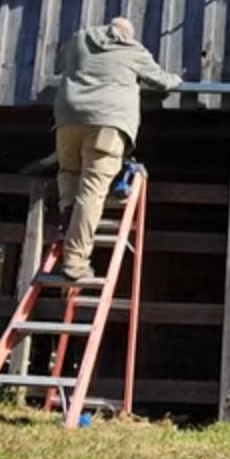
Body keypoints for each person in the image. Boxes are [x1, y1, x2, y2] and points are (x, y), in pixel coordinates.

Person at [52, 16, 182, 281]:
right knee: (93, 190)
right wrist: (177, 80)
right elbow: (162, 81)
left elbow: (59, 65)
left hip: (68, 118)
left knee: (68, 173)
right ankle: (75, 262)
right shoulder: (131, 50)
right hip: (108, 122)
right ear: (126, 34)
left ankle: (68, 216)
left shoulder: (78, 40)